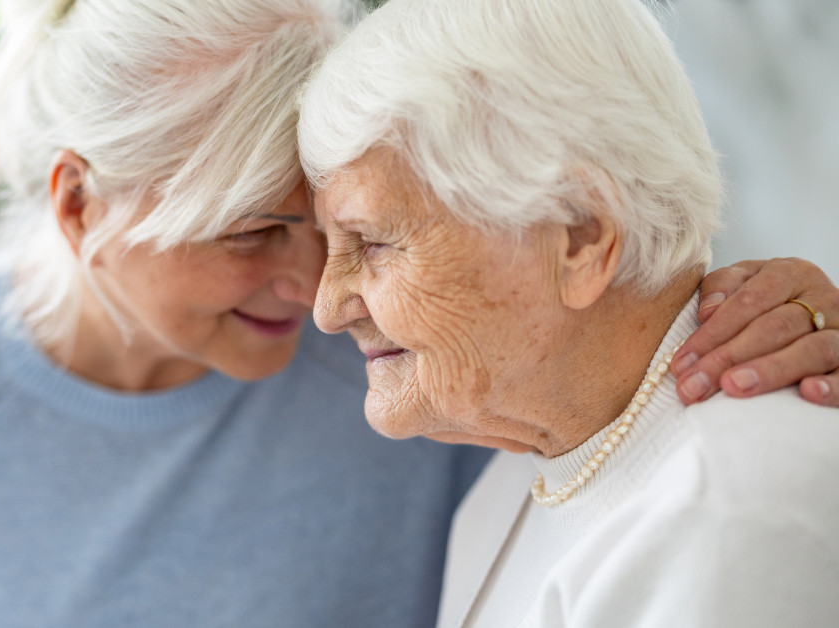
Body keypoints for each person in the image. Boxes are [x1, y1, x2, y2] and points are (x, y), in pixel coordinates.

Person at [0, 0, 839, 626]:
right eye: (252, 231)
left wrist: (756, 303)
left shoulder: (395, 365)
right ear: (78, 205)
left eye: (341, 230)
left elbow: (603, 361)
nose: (313, 293)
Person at [297, 0, 839, 626]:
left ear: (579, 239)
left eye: (374, 242)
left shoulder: (730, 510)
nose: (327, 308)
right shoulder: (522, 462)